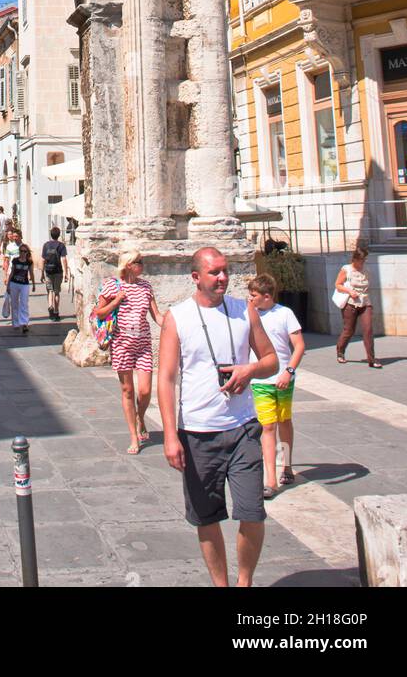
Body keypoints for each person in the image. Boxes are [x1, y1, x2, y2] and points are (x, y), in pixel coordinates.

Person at [157, 246, 278, 588]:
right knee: (206, 518)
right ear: (196, 277)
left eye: (225, 270)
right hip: (197, 431)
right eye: (215, 272)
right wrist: (169, 435)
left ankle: (244, 583)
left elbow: (271, 359)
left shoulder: (245, 310)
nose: (223, 277)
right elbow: (165, 378)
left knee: (252, 512)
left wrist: (250, 370)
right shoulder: (177, 317)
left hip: (243, 428)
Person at [95, 250, 165, 453]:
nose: (142, 265)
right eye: (138, 262)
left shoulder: (145, 287)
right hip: (122, 343)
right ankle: (134, 437)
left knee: (144, 391)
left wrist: (173, 325)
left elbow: (157, 316)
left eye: (141, 262)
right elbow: (99, 312)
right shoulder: (112, 285)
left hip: (143, 343)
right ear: (127, 265)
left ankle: (140, 416)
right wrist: (116, 301)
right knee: (127, 390)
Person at [246, 274, 305, 498]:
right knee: (267, 427)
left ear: (267, 297)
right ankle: (270, 479)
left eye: (253, 296)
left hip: (282, 379)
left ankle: (287, 465)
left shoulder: (285, 314)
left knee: (284, 422)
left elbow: (298, 345)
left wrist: (289, 372)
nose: (250, 299)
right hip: (259, 380)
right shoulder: (248, 314)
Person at [335, 245, 380, 368]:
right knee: (349, 330)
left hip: (365, 302)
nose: (363, 262)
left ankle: (371, 359)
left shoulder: (366, 271)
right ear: (355, 259)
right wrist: (350, 291)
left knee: (368, 330)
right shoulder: (346, 269)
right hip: (350, 303)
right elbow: (338, 284)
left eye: (365, 259)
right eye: (362, 259)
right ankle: (340, 351)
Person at [41, 227, 69, 321]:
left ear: (51, 234)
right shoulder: (61, 245)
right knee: (56, 292)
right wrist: (65, 273)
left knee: (50, 291)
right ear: (59, 235)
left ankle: (50, 306)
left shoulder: (46, 245)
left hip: (48, 271)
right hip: (58, 271)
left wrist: (42, 272)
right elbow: (63, 259)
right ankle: (56, 311)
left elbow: (43, 260)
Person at [7, 242, 35, 334]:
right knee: (14, 303)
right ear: (19, 252)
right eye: (21, 251)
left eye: (25, 251)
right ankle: (15, 323)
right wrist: (8, 284)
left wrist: (34, 284)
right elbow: (12, 272)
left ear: (27, 252)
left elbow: (31, 273)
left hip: (24, 284)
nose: (23, 253)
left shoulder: (29, 262)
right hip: (14, 283)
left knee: (24, 303)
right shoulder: (15, 260)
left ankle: (24, 323)